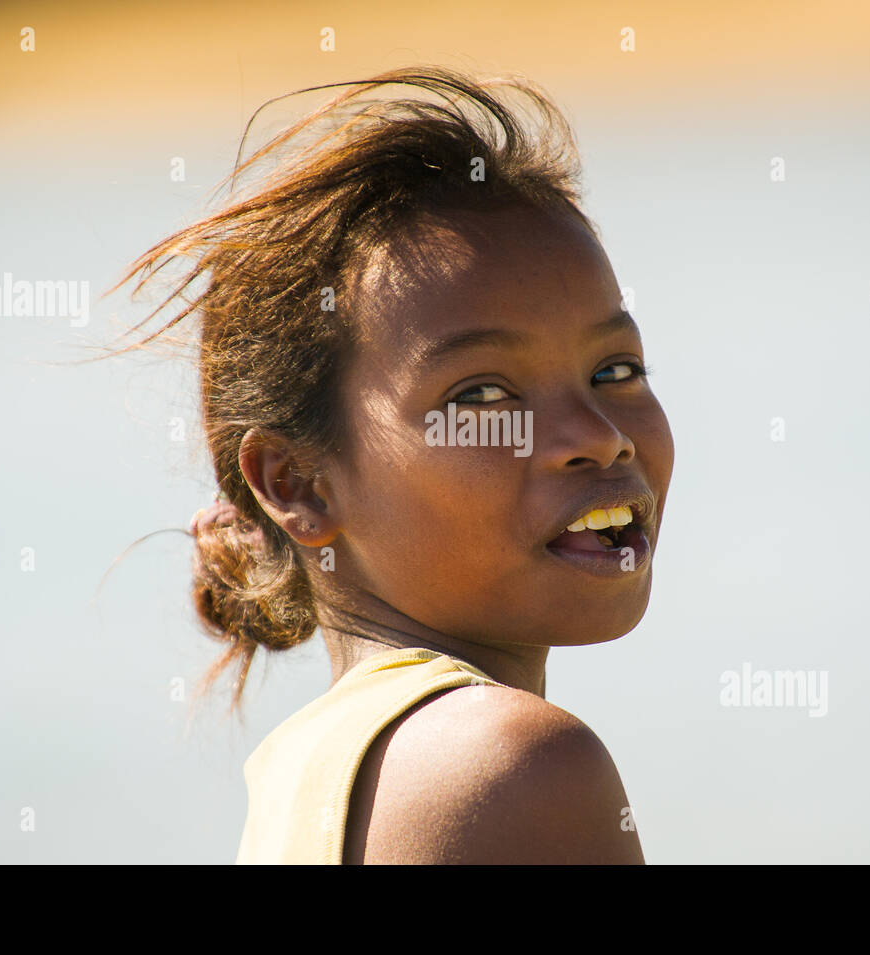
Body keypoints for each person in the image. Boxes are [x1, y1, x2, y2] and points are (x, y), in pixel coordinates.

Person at [110, 65, 675, 863]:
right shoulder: (512, 768)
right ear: (297, 483)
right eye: (482, 394)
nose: (598, 434)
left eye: (615, 370)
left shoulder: (308, 774)